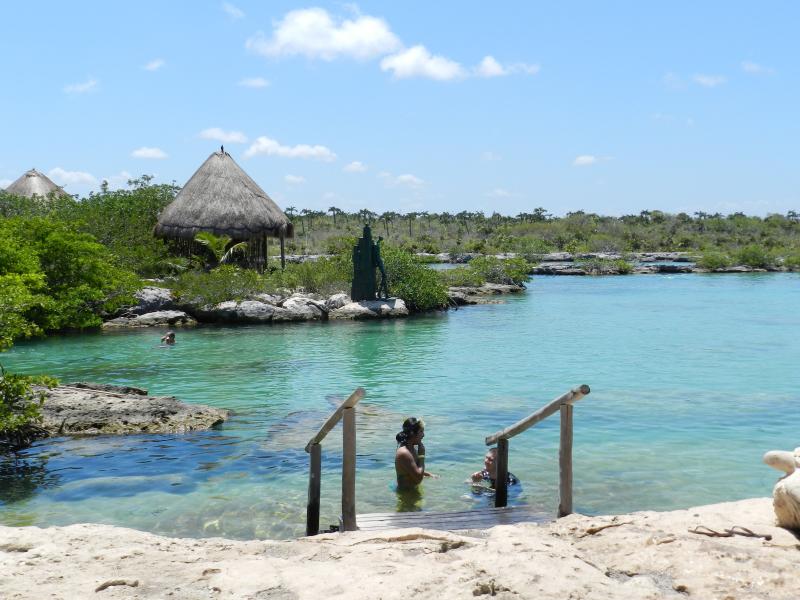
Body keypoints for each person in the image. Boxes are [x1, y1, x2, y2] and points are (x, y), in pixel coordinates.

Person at [395, 417, 432, 491]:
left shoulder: (411, 449)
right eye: (421, 431)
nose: (423, 435)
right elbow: (418, 479)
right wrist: (422, 455)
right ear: (412, 433)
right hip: (406, 496)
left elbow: (412, 469)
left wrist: (429, 474)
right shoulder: (404, 453)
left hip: (412, 491)